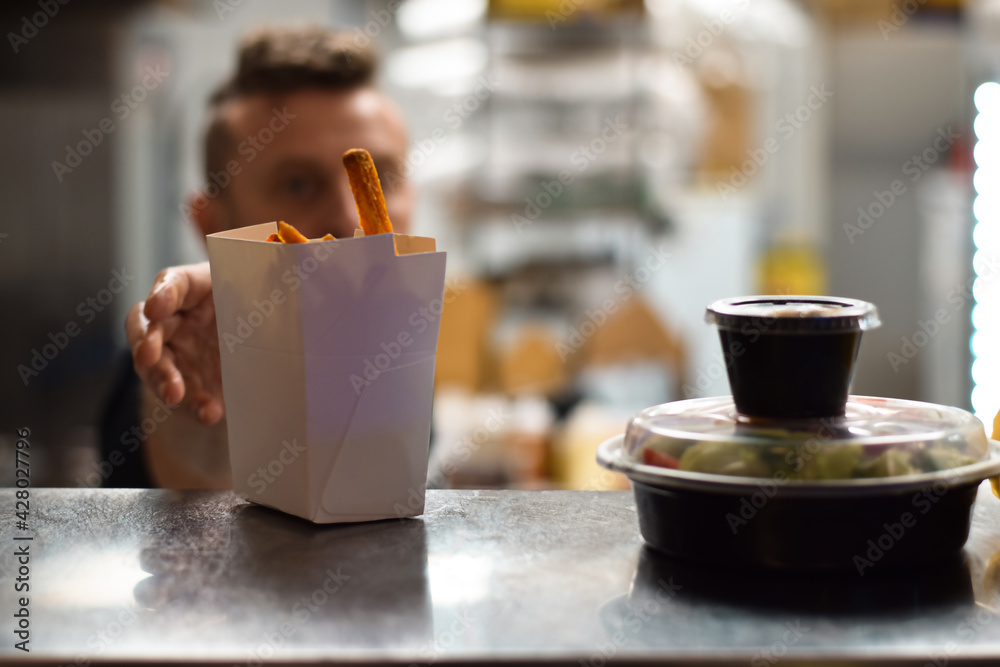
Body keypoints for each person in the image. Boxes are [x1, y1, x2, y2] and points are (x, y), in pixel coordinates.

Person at [100, 25, 414, 489]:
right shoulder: (174, 361)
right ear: (212, 225)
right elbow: (196, 478)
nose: (349, 219)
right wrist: (218, 390)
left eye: (382, 179)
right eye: (298, 185)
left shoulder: (402, 347)